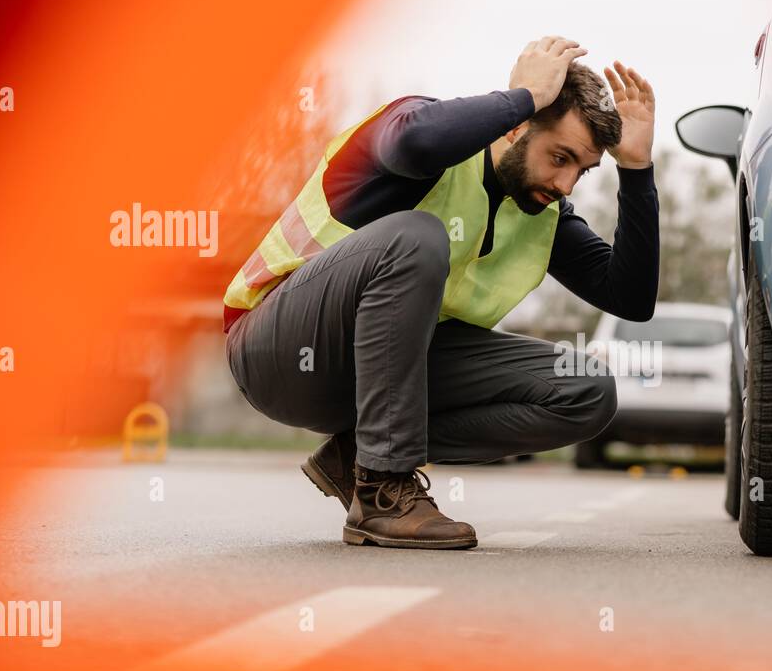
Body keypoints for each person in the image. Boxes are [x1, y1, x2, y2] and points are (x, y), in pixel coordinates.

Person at [222, 37, 659, 550]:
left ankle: (359, 458)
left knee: (586, 388)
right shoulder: (425, 138)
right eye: (559, 157)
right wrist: (522, 95)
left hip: (381, 378)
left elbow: (630, 297)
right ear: (517, 125)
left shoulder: (540, 210)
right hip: (279, 349)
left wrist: (636, 171)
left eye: (581, 171)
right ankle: (385, 488)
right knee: (418, 236)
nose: (566, 183)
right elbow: (416, 145)